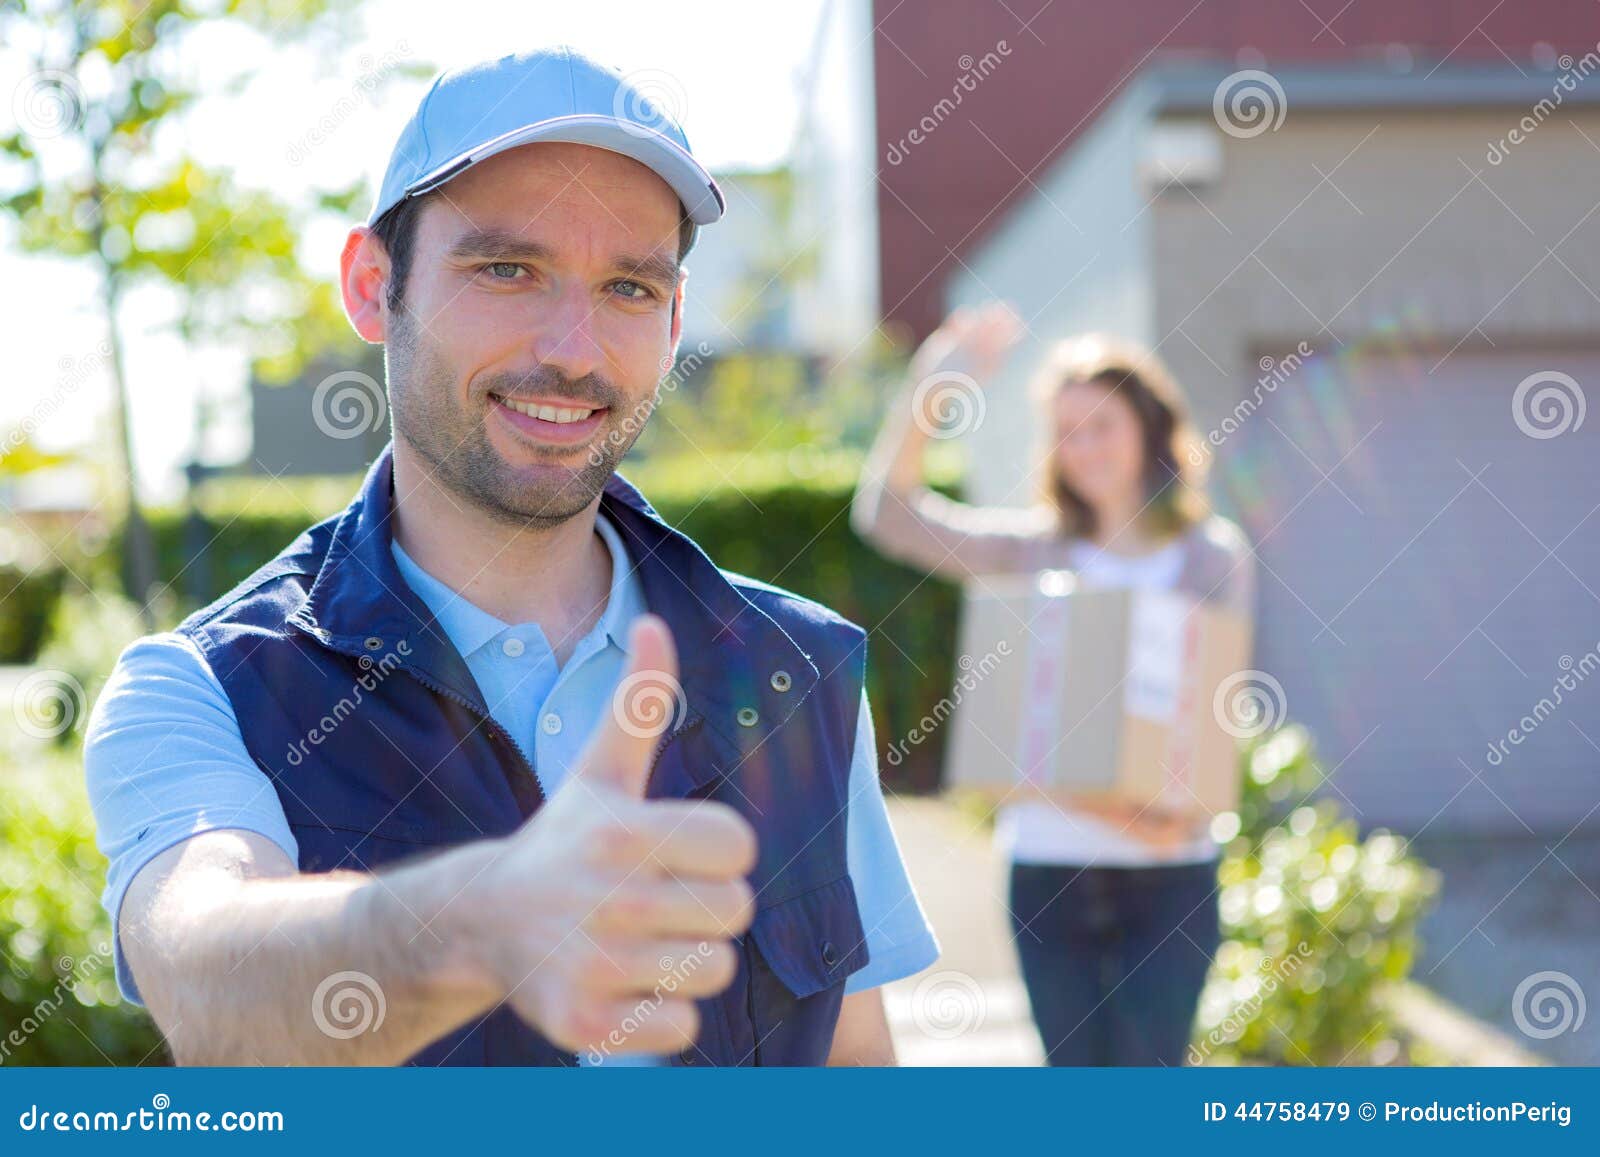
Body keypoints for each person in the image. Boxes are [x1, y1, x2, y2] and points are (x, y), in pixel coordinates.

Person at [84, 46, 937, 1067]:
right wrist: (486, 924)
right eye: (506, 268)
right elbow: (213, 990)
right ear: (371, 283)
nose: (573, 348)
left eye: (628, 286)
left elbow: (855, 1071)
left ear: (672, 324)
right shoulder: (202, 687)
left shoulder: (797, 668)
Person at [851, 303, 1255, 1066]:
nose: (1083, 447)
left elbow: (1204, 747)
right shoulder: (1030, 551)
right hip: (1050, 880)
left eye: (1101, 425)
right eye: (1066, 430)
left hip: (1168, 884)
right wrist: (934, 383)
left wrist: (1074, 788)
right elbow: (887, 514)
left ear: (1148, 429)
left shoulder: (1211, 558)